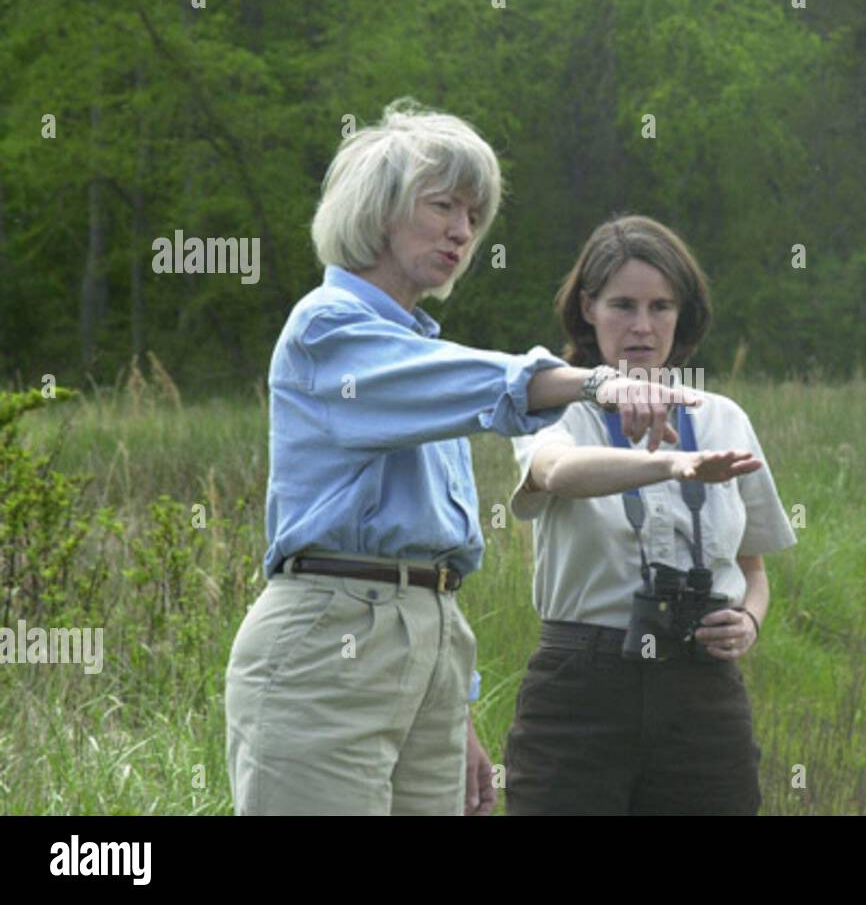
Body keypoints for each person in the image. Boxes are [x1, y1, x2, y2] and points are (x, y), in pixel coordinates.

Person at [224, 102, 692, 816]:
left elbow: (426, 565)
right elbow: (485, 383)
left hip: (431, 647)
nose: (462, 231)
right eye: (442, 204)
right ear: (376, 210)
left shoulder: (418, 349)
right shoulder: (328, 329)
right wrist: (600, 380)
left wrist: (454, 712)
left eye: (474, 215)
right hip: (326, 642)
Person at [505, 215, 798, 815]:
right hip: (581, 686)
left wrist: (749, 621)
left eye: (661, 307)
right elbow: (556, 473)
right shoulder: (556, 409)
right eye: (623, 306)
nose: (642, 327)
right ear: (587, 308)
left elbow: (754, 570)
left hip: (701, 691)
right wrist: (669, 466)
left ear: (682, 314)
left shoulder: (722, 418)